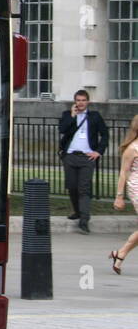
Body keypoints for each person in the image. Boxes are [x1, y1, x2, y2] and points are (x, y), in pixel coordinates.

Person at [59, 88, 108, 234]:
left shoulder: (95, 116)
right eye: (78, 100)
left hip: (87, 157)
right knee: (72, 186)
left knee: (84, 188)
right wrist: (73, 116)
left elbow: (104, 135)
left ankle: (84, 220)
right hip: (70, 156)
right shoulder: (67, 115)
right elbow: (62, 129)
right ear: (75, 102)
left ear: (88, 102)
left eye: (83, 100)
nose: (80, 103)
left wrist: (98, 151)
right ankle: (78, 211)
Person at [110, 115, 138, 273]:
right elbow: (123, 173)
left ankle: (120, 253)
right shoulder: (132, 148)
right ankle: (121, 253)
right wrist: (119, 197)